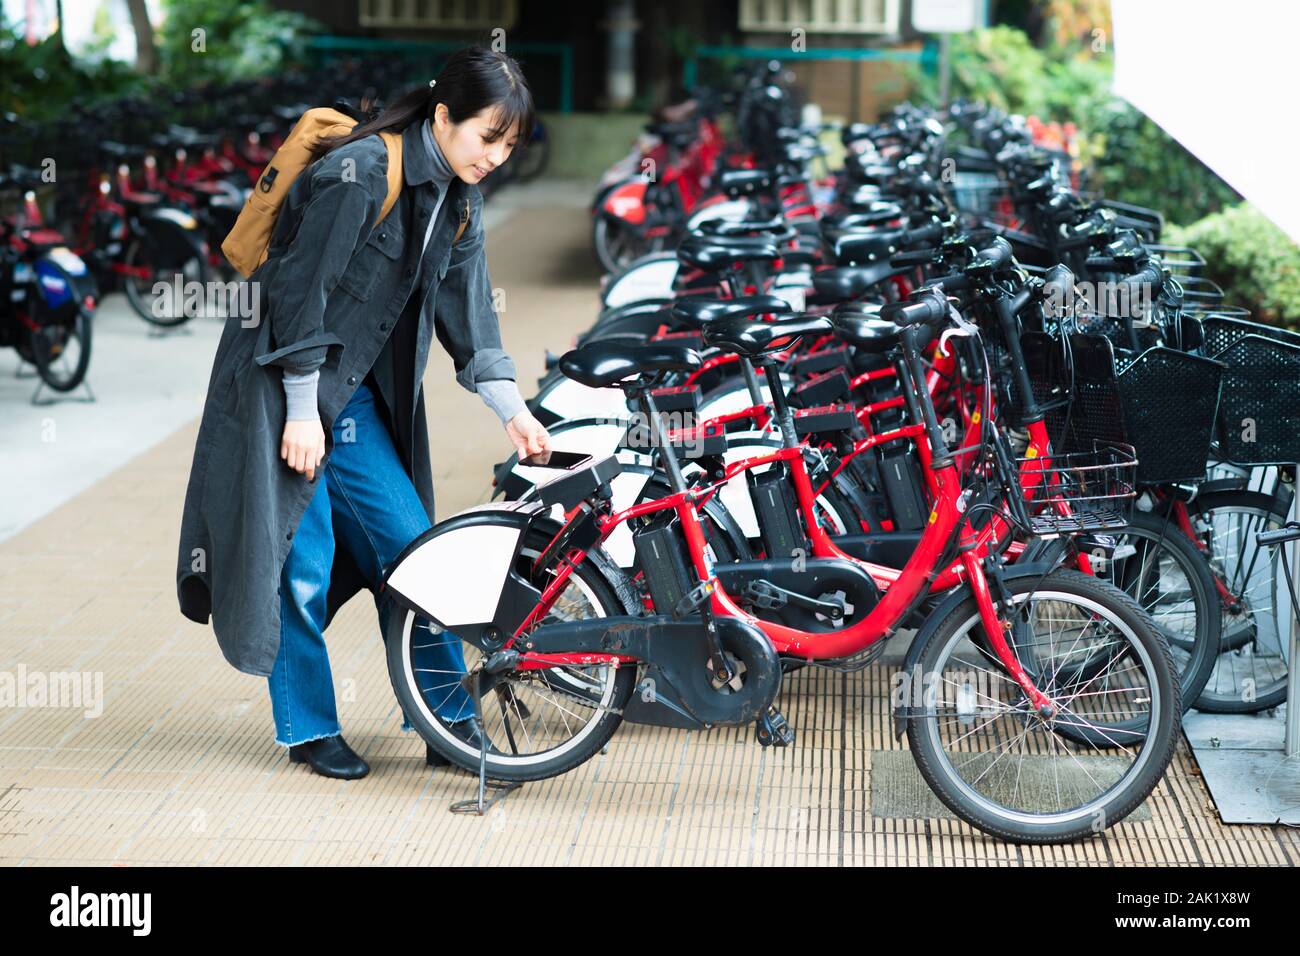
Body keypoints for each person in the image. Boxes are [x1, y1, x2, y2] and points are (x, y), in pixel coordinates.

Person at [175, 46, 552, 780]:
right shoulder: (360, 175)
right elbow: (297, 298)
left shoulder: (459, 198)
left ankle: (448, 722)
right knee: (298, 559)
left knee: (415, 550)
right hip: (283, 386)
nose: (496, 157)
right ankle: (311, 727)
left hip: (351, 400)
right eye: (487, 137)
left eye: (508, 145)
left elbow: (470, 318)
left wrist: (513, 410)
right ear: (443, 116)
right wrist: (300, 411)